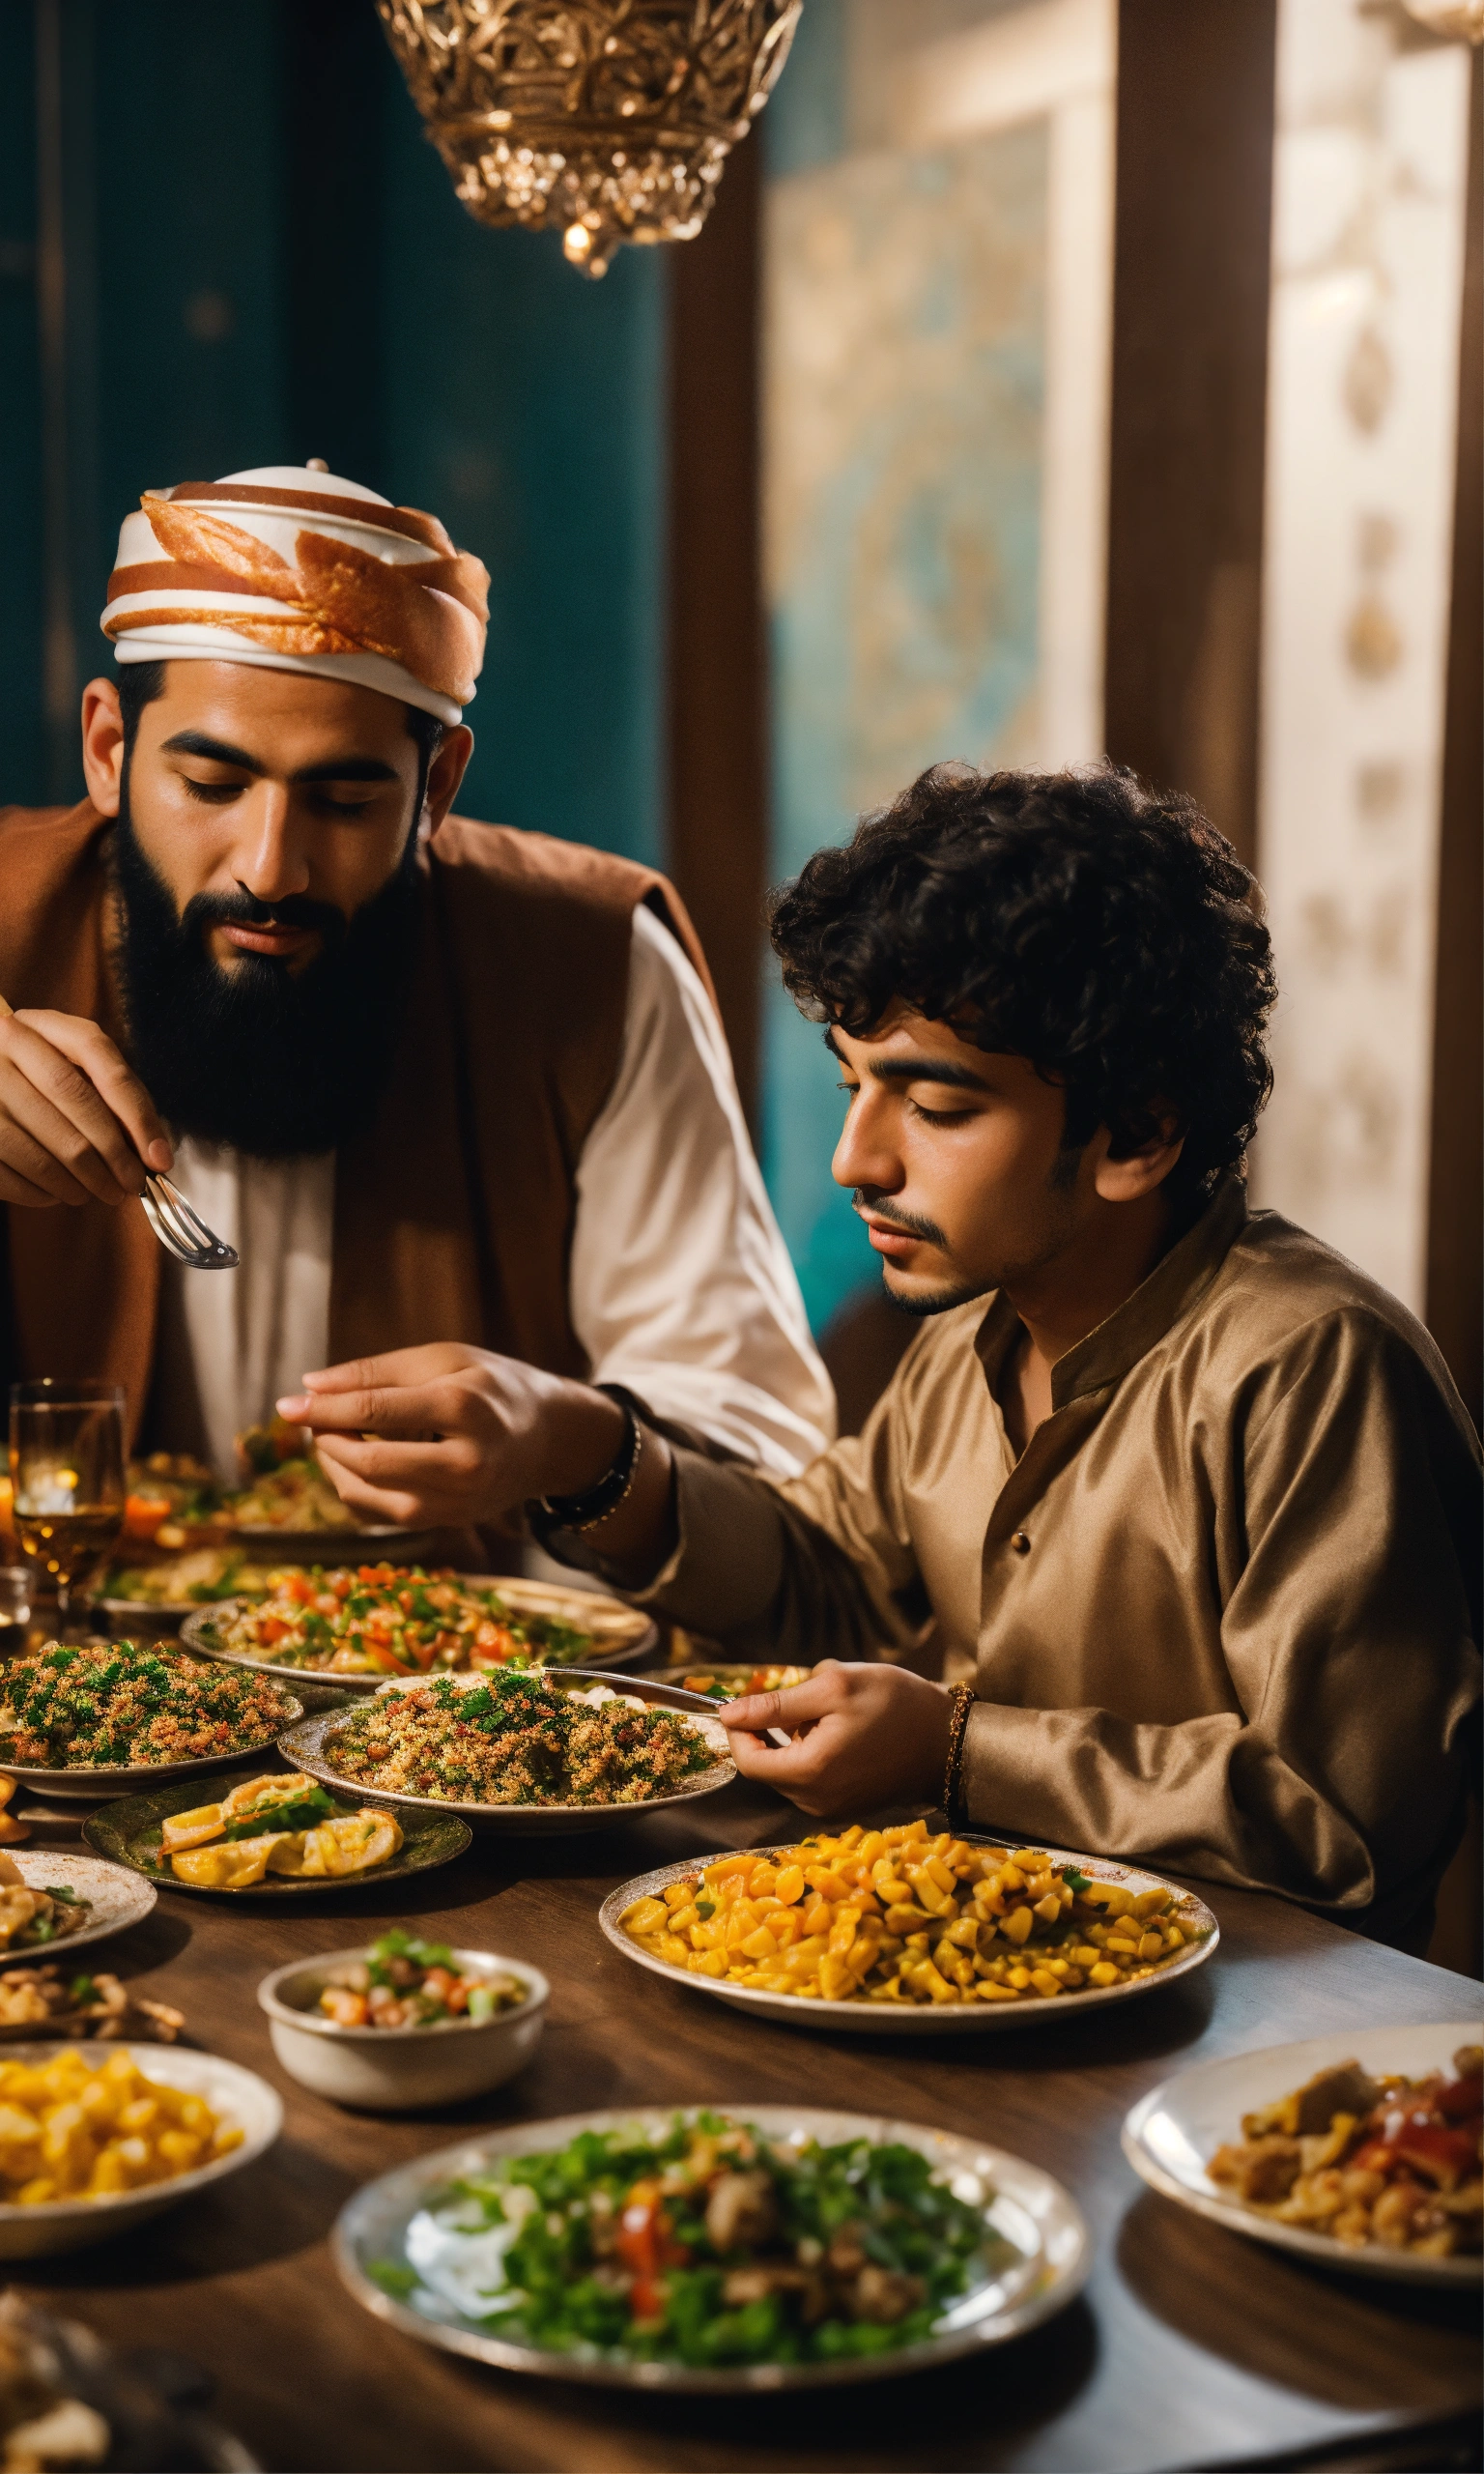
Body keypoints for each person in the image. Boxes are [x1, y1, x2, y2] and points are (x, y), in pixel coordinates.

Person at [293, 762, 1481, 1942]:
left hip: (1262, 2063)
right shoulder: (974, 1326)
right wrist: (580, 1446)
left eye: (937, 1107)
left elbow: (1346, 1821)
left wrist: (960, 1749)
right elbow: (820, 1572)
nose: (854, 1159)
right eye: (855, 1085)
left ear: (1140, 1131)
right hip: (980, 1987)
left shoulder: (1309, 1365)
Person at [0, 464, 833, 1523]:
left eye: (344, 801)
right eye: (211, 786)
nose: (271, 868)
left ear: (435, 790)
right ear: (109, 749)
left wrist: (569, 1443)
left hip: (458, 1672)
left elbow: (754, 1432)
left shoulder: (593, 963)